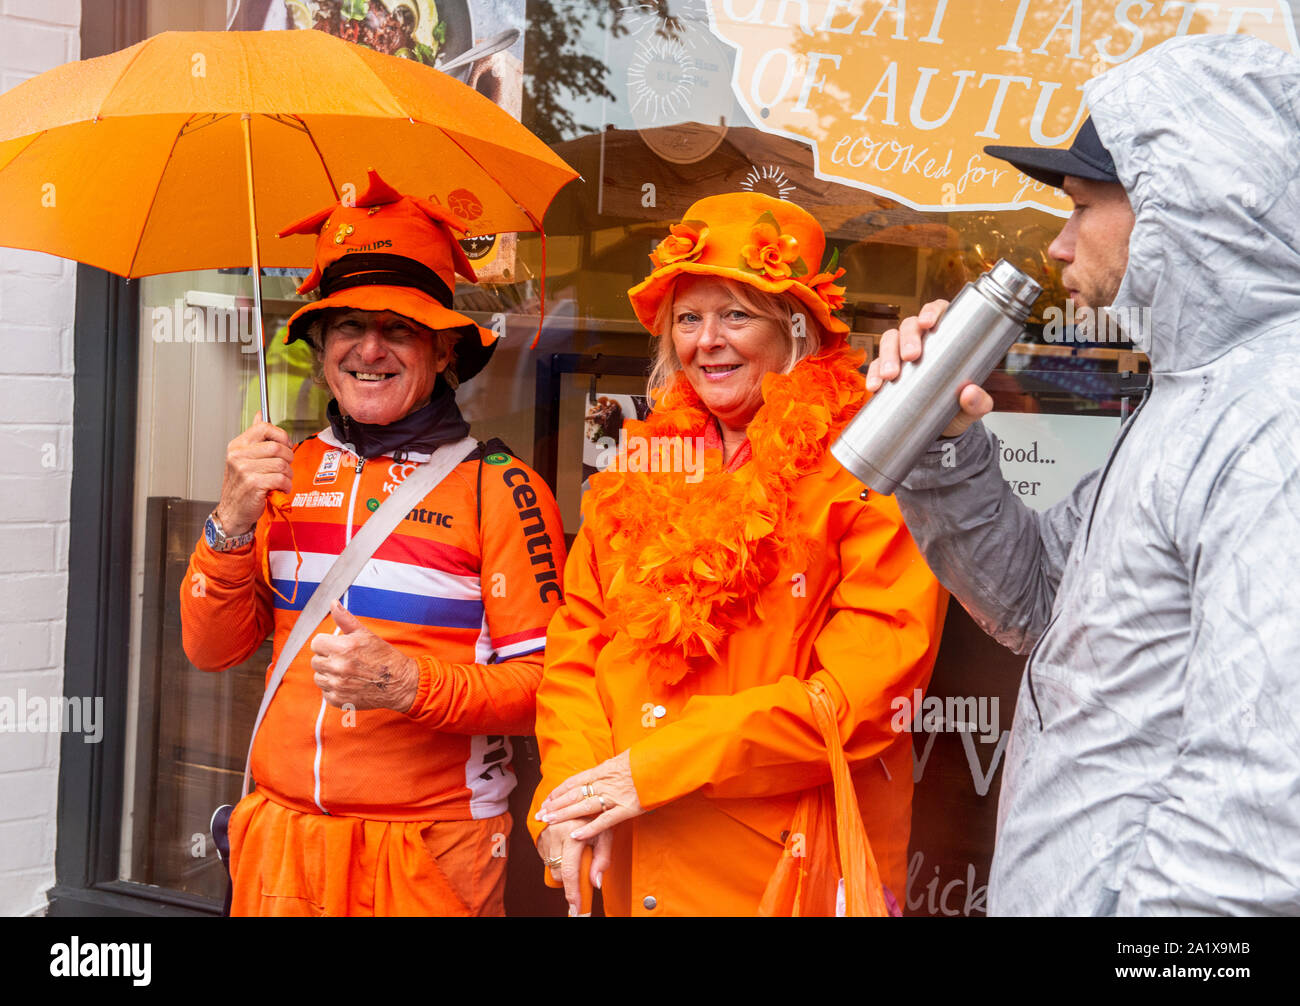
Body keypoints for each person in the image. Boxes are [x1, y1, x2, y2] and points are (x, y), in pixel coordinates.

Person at [870, 34, 1300, 915]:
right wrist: (943, 442)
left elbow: (1261, 821)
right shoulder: (1188, 399)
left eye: (1079, 207)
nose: (1059, 246)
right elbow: (1035, 602)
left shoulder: (1274, 425)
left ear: (1183, 206)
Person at [527, 192, 949, 916]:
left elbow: (859, 697)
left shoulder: (868, 468)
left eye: (736, 315)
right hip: (630, 861)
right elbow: (577, 650)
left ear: (796, 330)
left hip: (784, 874)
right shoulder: (636, 468)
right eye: (688, 318)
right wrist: (568, 798)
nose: (707, 340)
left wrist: (656, 766)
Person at [180, 170, 567, 916]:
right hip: (280, 840)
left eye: (400, 329)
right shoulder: (282, 472)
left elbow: (547, 690)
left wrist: (407, 685)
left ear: (445, 352)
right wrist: (229, 520)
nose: (370, 350)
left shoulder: (502, 487)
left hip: (428, 848)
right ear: (321, 346)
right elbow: (210, 649)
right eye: (350, 326)